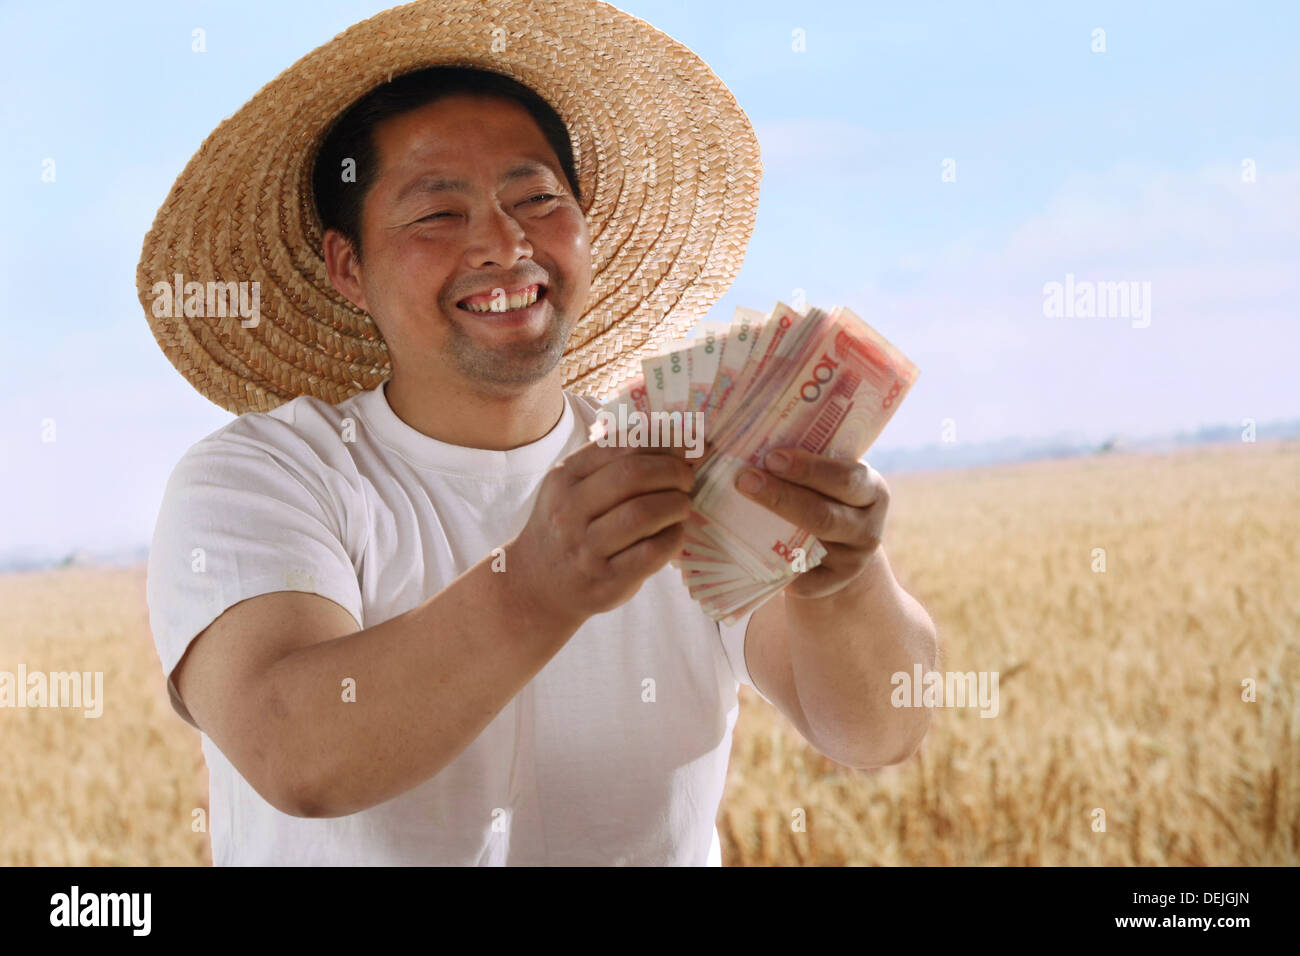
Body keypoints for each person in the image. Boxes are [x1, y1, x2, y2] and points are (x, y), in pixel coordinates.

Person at [139, 0, 937, 866]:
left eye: (538, 198)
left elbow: (876, 730)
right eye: (437, 215)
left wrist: (843, 580)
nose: (504, 241)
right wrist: (536, 588)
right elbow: (295, 752)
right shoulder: (260, 478)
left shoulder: (688, 454)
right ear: (348, 267)